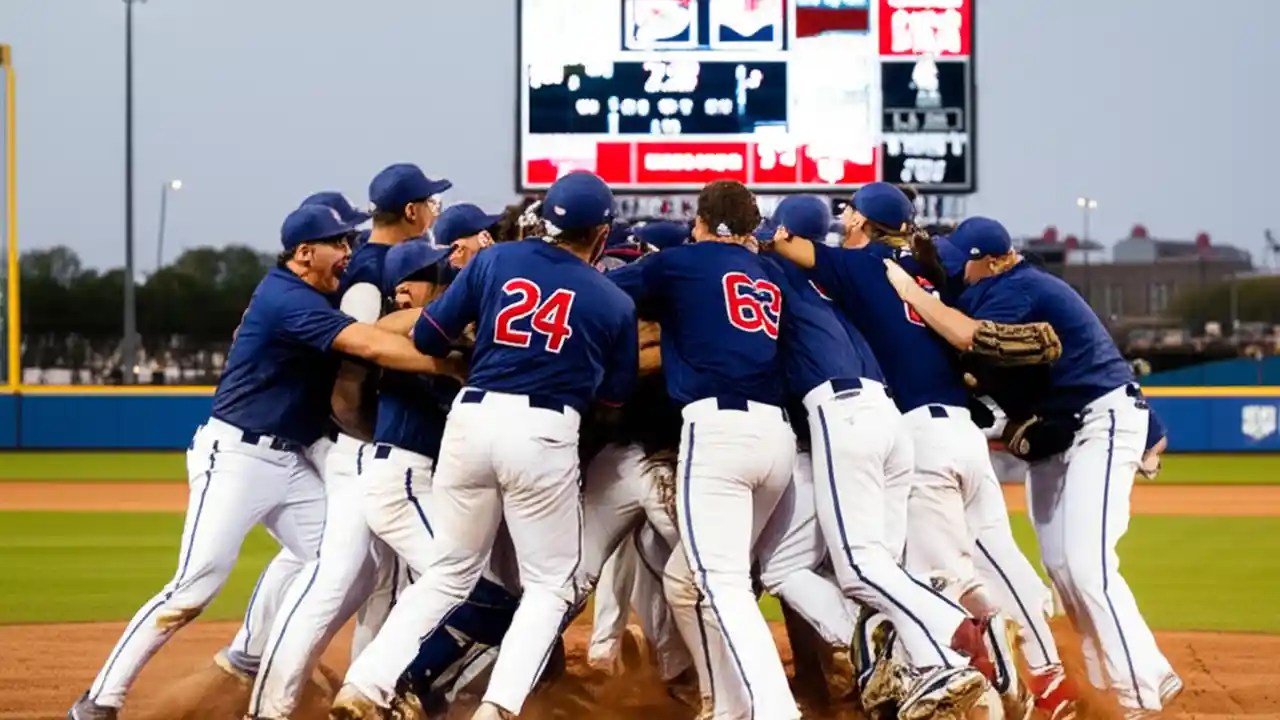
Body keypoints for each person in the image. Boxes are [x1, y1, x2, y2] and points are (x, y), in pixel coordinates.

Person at [68, 205, 462, 720]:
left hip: (291, 462)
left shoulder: (309, 297)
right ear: (304, 253)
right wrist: (452, 362)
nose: (348, 253)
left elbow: (367, 335)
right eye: (338, 244)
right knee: (196, 583)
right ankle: (98, 701)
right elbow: (369, 344)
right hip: (236, 456)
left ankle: (259, 665)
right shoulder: (288, 297)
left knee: (345, 565)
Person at [332, 170, 638, 720]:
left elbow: (427, 337)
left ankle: (365, 684)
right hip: (544, 429)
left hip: (471, 418)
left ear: (546, 221)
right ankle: (497, 708)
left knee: (451, 570)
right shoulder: (613, 300)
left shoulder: (497, 260)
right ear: (601, 234)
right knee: (550, 586)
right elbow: (612, 402)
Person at [886, 216, 1182, 717]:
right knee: (1063, 569)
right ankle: (1107, 682)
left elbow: (966, 336)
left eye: (968, 262)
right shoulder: (984, 282)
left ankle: (1139, 695)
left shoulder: (1015, 286)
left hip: (1099, 422)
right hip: (1059, 432)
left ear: (999, 259)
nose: (962, 271)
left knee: (1089, 566)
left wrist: (908, 291)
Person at [766, 184, 1025, 713]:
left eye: (851, 211)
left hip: (851, 418)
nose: (844, 217)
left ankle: (950, 647)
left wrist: (758, 242)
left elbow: (791, 251)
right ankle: (895, 660)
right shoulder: (898, 274)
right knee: (869, 566)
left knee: (860, 565)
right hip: (894, 418)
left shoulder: (835, 269)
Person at [245, 165, 452, 719]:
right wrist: (364, 439)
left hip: (366, 448)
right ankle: (279, 700)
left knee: (369, 585)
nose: (434, 211)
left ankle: (356, 696)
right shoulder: (367, 276)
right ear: (412, 211)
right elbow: (351, 365)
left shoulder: (378, 267)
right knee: (339, 580)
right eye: (430, 203)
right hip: (361, 449)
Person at [607, 179, 799, 720]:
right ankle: (726, 707)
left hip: (718, 433)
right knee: (687, 582)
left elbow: (601, 291)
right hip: (777, 439)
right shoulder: (772, 271)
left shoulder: (681, 262)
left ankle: (775, 711)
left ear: (700, 221)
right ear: (753, 226)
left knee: (723, 585)